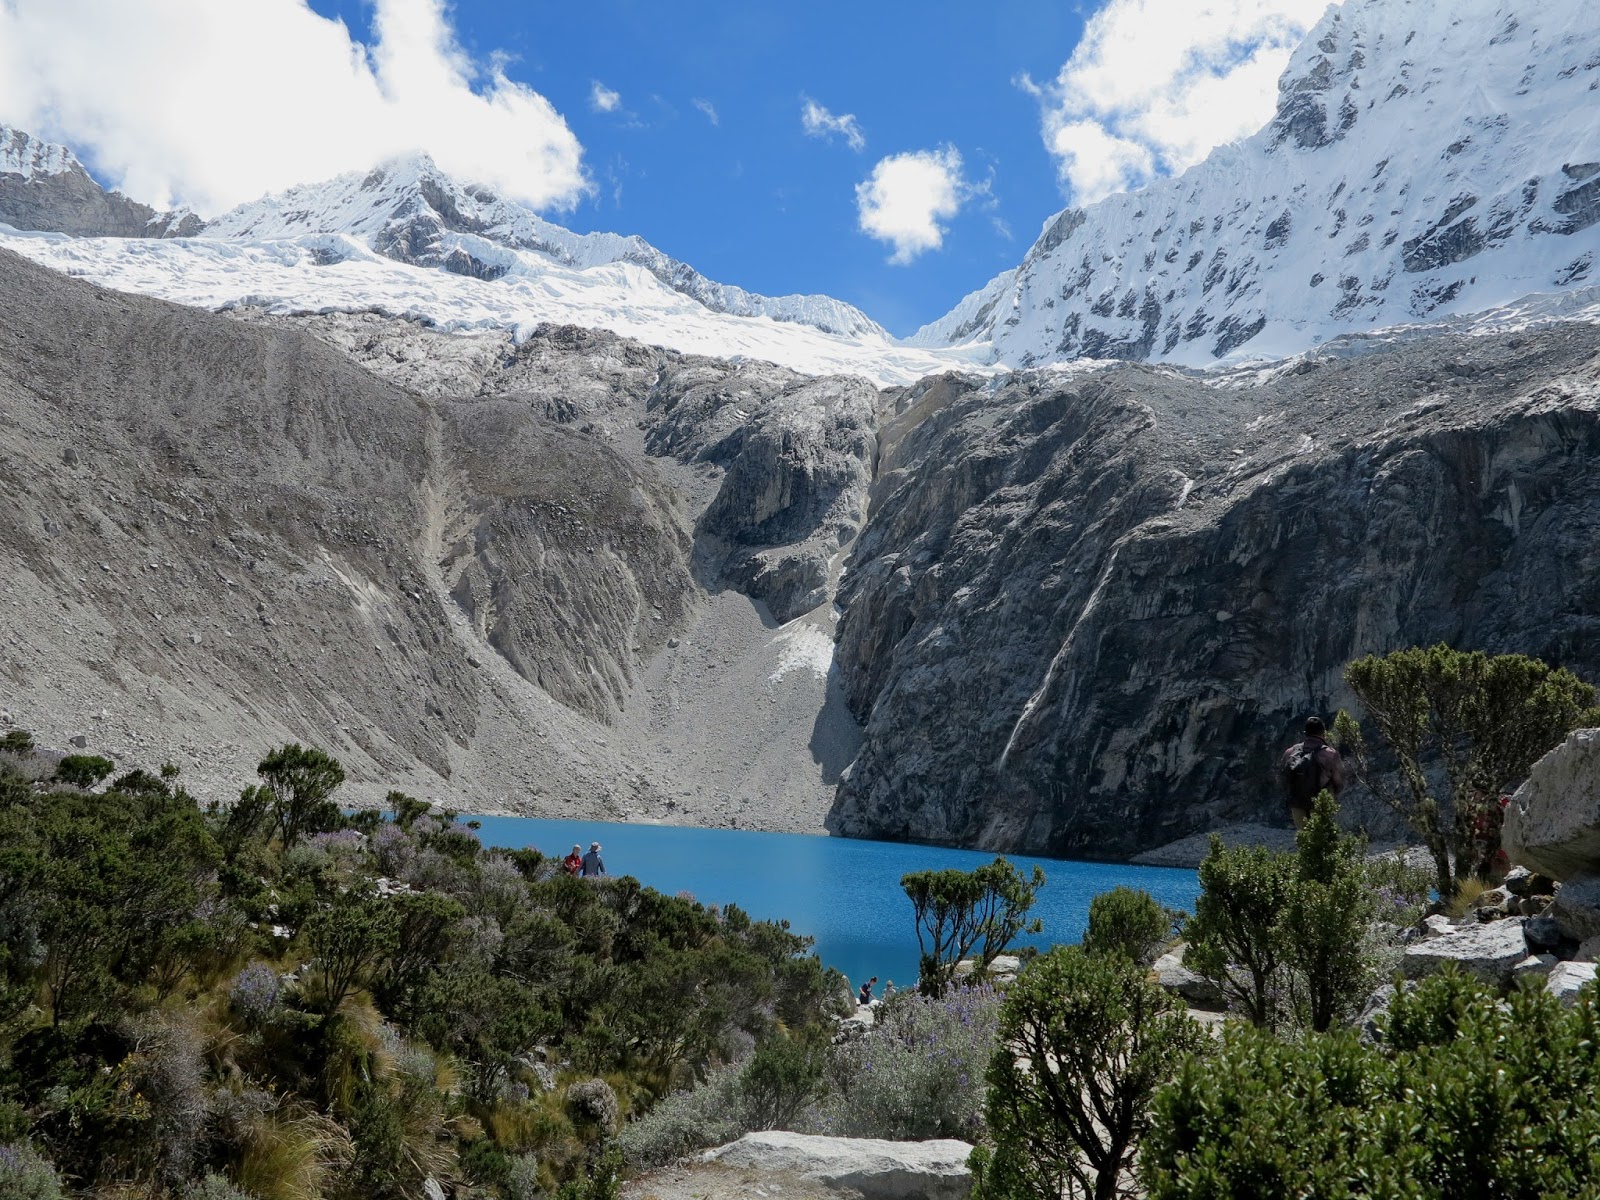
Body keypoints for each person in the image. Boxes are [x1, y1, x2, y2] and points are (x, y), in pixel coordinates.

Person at [1279, 716, 1345, 829]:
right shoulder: (1330, 754)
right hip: (1321, 803)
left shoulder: (1289, 752)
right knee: (1322, 836)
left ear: (1305, 732)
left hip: (1297, 803)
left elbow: (1283, 778)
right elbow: (1338, 782)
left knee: (1305, 840)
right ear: (1323, 732)